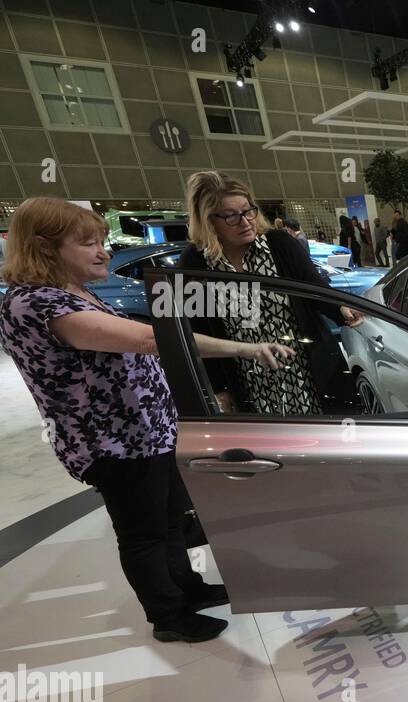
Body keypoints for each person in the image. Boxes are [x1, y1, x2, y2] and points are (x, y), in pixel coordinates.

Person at [0, 196, 295, 643]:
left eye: (102, 241)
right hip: (112, 441)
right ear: (43, 246)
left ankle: (187, 589)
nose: (104, 251)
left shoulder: (72, 290)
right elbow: (146, 340)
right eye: (87, 243)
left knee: (171, 518)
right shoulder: (36, 303)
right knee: (144, 532)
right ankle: (168, 615)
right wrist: (247, 348)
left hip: (147, 431)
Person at [181, 171, 362, 416]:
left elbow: (316, 290)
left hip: (304, 371)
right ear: (209, 220)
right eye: (232, 217)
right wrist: (219, 388)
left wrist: (341, 309)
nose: (246, 222)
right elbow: (195, 334)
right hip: (245, 381)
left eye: (248, 211)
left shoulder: (278, 244)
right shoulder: (196, 264)